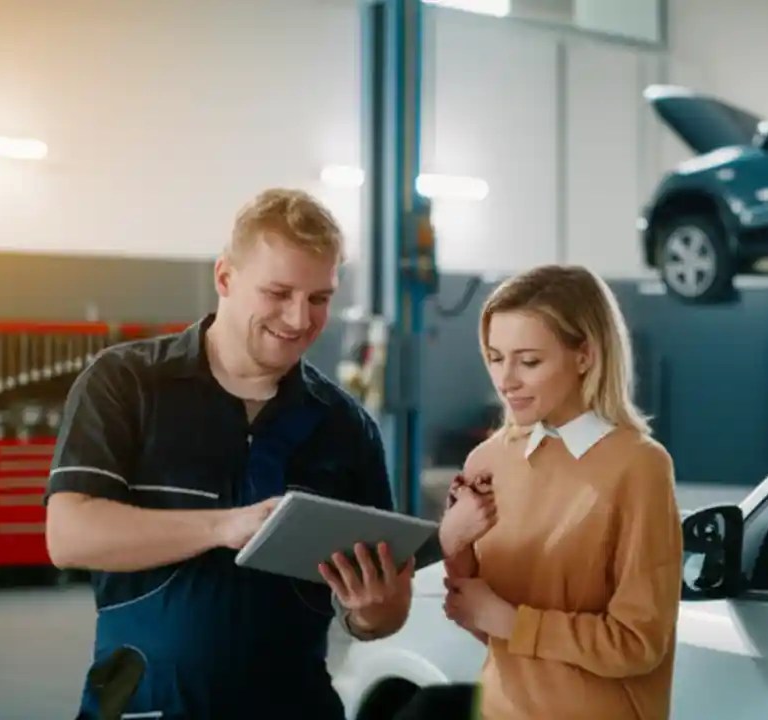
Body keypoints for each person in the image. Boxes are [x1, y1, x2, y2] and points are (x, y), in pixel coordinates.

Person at [43, 188, 414, 720]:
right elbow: (69, 535)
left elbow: (384, 613)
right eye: (278, 291)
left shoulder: (345, 425)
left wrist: (372, 613)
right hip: (144, 705)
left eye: (319, 298)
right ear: (225, 278)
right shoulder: (127, 383)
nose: (298, 318)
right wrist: (224, 527)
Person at [438, 264, 683, 720]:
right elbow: (480, 618)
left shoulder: (640, 466)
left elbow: (638, 643)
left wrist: (515, 623)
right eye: (495, 357)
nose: (505, 379)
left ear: (585, 356)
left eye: (528, 361)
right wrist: (452, 543)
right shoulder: (487, 462)